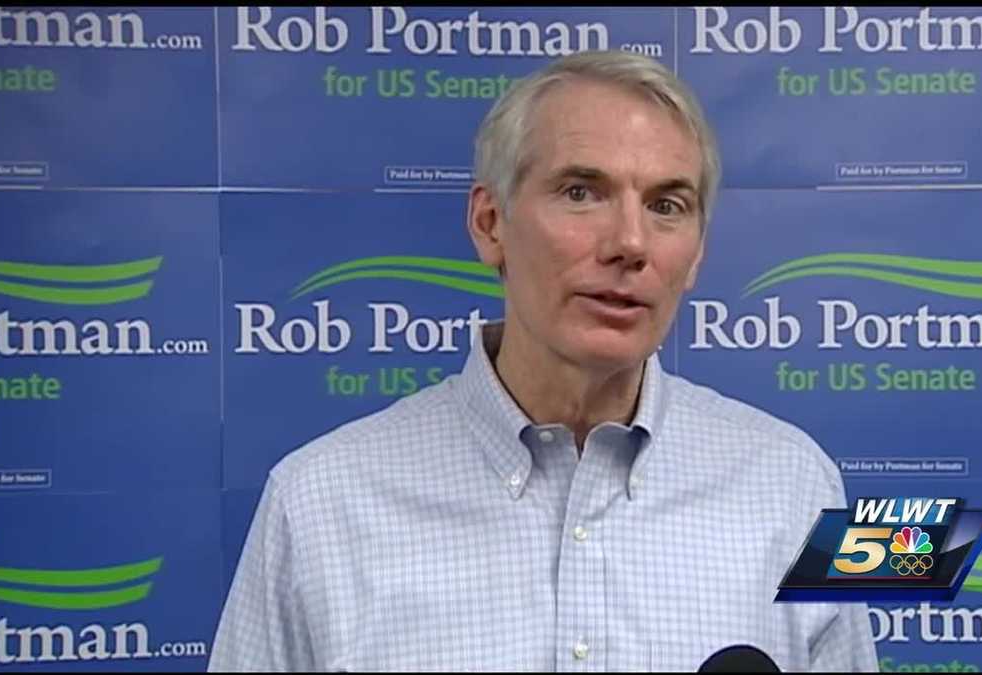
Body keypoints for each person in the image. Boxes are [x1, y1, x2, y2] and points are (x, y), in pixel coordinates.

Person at [209, 50, 878, 672]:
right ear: (490, 222)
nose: (629, 242)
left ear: (697, 252)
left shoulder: (795, 488)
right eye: (581, 192)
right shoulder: (319, 503)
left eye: (667, 205)